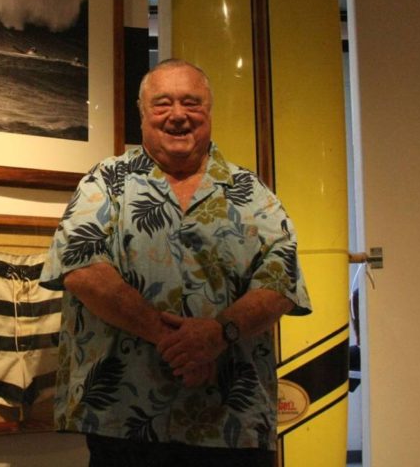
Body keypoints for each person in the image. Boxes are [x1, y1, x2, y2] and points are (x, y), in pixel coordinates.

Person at [41, 58, 311, 467]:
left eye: (192, 102)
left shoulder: (252, 192)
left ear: (209, 111)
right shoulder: (105, 181)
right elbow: (81, 269)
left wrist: (217, 335)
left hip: (231, 420)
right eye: (163, 103)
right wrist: (176, 342)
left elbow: (282, 282)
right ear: (142, 113)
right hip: (123, 420)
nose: (179, 115)